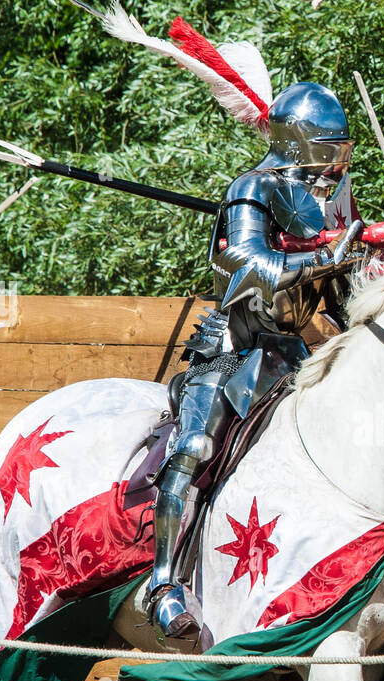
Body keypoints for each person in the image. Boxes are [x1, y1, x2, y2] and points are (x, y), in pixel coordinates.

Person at [145, 81, 364, 639]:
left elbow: (342, 296)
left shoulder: (328, 202)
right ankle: (163, 581)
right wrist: (320, 260)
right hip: (235, 347)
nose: (333, 164)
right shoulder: (254, 186)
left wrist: (363, 274)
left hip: (299, 350)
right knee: (195, 446)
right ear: (298, 142)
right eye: (325, 149)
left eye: (340, 151)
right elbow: (240, 261)